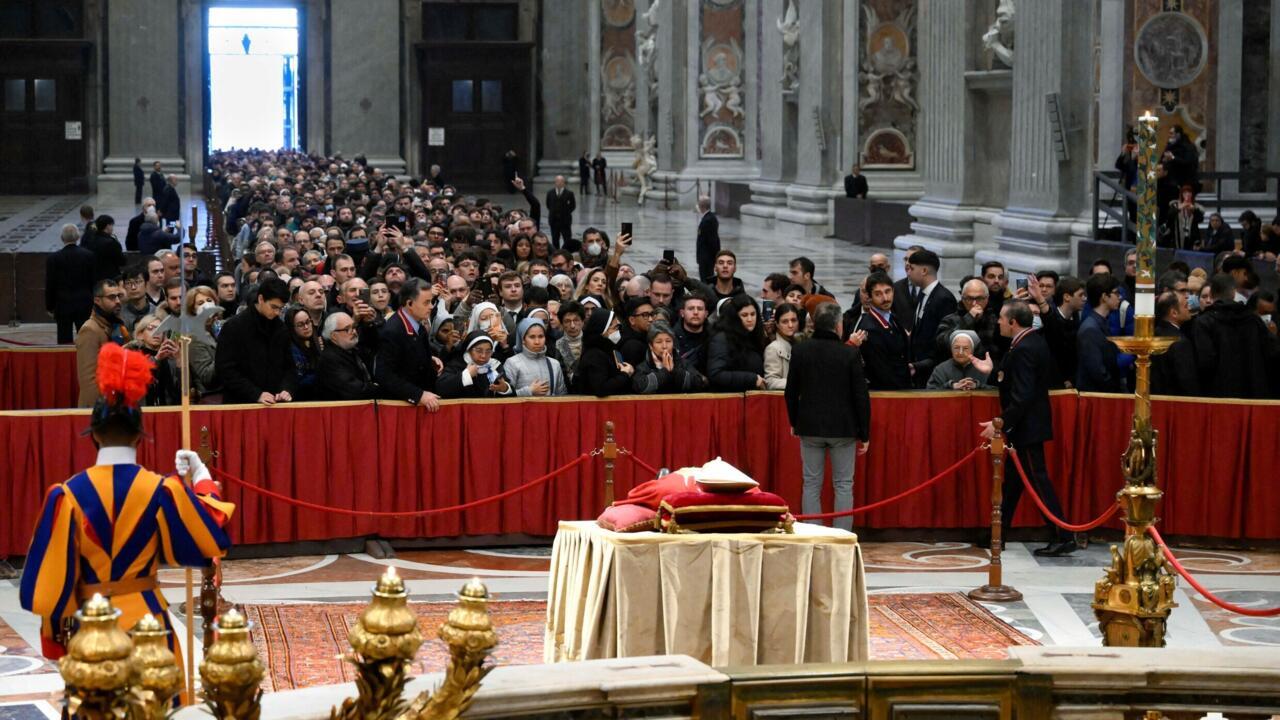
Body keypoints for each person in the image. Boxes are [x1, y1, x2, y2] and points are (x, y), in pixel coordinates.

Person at [20, 344, 233, 664]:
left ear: (93, 437)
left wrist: (53, 640)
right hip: (150, 627)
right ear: (139, 437)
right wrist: (201, 477)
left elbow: (49, 589)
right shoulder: (162, 490)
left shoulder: (66, 496)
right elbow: (210, 536)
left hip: (92, 630)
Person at [975, 300, 1076, 556]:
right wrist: (993, 371)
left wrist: (1000, 424)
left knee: (1038, 481)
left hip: (1027, 428)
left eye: (1001, 317)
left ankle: (1063, 535)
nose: (997, 321)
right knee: (1012, 483)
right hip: (1024, 426)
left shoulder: (1025, 348)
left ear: (1013, 322)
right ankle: (999, 531)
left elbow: (1022, 395)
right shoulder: (1027, 342)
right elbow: (1014, 380)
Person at [784, 301, 871, 531]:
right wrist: (865, 433)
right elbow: (860, 396)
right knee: (843, 484)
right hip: (844, 428)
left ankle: (813, 533)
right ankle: (842, 535)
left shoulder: (801, 350)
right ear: (838, 325)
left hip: (809, 426)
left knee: (811, 483)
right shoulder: (848, 353)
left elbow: (790, 391)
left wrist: (794, 421)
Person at [1189, 274, 1280, 399]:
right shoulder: (1253, 320)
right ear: (1233, 293)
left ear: (1212, 294)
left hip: (1218, 397)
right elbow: (1273, 354)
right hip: (1253, 396)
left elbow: (1205, 363)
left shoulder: (1203, 322)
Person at [214, 277, 296, 405]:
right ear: (261, 299)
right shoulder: (234, 327)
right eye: (274, 307)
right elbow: (225, 369)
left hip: (275, 402)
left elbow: (289, 367)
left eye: (281, 308)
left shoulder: (281, 328)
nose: (277, 312)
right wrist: (255, 393)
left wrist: (286, 389)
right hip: (241, 403)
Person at [375, 278, 443, 410]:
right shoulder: (392, 331)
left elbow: (408, 355)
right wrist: (418, 395)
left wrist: (427, 359)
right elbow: (384, 375)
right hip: (400, 406)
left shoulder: (418, 324)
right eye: (426, 302)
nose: (431, 306)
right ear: (410, 303)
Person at [904, 249, 956, 387]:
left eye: (912, 268)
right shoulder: (922, 294)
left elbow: (944, 341)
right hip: (918, 369)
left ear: (924, 271)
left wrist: (923, 365)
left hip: (933, 371)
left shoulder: (944, 299)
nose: (908, 272)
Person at [76, 279, 131, 407]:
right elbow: (89, 381)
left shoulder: (116, 324)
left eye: (119, 296)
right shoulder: (90, 330)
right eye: (111, 297)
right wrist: (101, 411)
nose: (117, 301)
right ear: (97, 300)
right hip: (99, 409)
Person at [855, 271, 911, 390]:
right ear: (870, 297)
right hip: (890, 394)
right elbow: (882, 373)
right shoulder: (870, 329)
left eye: (888, 291)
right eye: (878, 294)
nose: (885, 298)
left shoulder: (893, 317)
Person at [46, 224, 97, 344]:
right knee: (85, 338)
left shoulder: (53, 258)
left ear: (62, 238)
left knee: (64, 339)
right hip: (85, 302)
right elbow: (93, 281)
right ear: (78, 237)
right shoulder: (89, 256)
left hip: (62, 303)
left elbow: (50, 284)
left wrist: (49, 306)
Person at [707, 294, 767, 391]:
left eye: (753, 314)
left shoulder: (754, 336)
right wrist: (752, 379)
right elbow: (716, 374)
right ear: (734, 316)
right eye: (744, 315)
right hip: (730, 400)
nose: (750, 319)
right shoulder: (721, 339)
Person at [1076, 273, 1124, 393]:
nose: (1120, 297)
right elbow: (1098, 372)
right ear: (1104, 297)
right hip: (1097, 399)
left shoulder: (1101, 322)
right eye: (1116, 293)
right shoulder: (1090, 329)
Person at [632, 322, 708, 394]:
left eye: (668, 341)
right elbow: (640, 387)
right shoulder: (643, 367)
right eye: (659, 342)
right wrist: (665, 372)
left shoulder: (684, 363)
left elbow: (701, 383)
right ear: (651, 346)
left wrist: (675, 371)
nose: (664, 346)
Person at [572, 309, 634, 396]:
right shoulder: (594, 355)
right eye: (615, 328)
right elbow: (601, 388)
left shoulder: (609, 350)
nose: (618, 332)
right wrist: (625, 374)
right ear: (602, 330)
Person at [317, 311, 378, 400]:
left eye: (353, 327)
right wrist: (379, 389)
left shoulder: (353, 350)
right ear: (333, 336)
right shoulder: (329, 359)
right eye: (347, 329)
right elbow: (355, 390)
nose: (353, 332)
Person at [437, 332, 514, 398]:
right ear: (469, 349)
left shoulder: (494, 365)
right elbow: (440, 388)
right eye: (479, 351)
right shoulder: (457, 364)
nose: (483, 355)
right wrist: (466, 375)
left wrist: (505, 389)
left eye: (488, 351)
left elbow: (511, 394)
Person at [503, 318, 568, 396]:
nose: (537, 342)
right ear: (523, 340)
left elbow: (562, 396)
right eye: (532, 337)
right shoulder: (512, 363)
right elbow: (507, 396)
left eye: (541, 336)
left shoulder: (554, 364)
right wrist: (529, 391)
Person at [926, 330, 991, 390]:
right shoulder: (940, 370)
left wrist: (977, 386)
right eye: (956, 348)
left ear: (972, 351)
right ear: (951, 349)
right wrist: (951, 386)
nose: (960, 352)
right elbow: (929, 393)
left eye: (965, 348)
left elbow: (997, 391)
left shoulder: (983, 369)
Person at [286, 305, 323, 401]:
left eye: (308, 322)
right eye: (300, 325)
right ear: (292, 328)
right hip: (301, 400)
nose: (306, 327)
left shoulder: (316, 341)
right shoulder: (291, 349)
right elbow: (298, 381)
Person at [763, 302, 800, 389]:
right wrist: (799, 383)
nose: (790, 325)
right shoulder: (773, 348)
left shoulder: (800, 343)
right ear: (777, 324)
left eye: (793, 320)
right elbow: (770, 382)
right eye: (785, 322)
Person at [555, 301, 587, 384]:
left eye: (576, 320)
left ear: (583, 321)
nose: (572, 326)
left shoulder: (591, 342)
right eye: (567, 321)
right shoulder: (557, 346)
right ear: (561, 323)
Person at [546, 175, 577, 251]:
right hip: (554, 221)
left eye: (561, 181)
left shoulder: (569, 193)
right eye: (557, 181)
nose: (559, 183)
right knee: (555, 239)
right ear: (555, 182)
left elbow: (573, 205)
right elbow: (548, 204)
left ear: (564, 183)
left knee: (567, 239)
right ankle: (555, 253)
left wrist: (566, 212)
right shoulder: (550, 193)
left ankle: (567, 253)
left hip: (565, 221)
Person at [695, 195, 720, 282]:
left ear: (702, 206)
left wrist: (715, 257)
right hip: (705, 257)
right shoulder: (708, 218)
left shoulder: (708, 220)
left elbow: (712, 241)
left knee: (706, 280)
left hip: (707, 258)